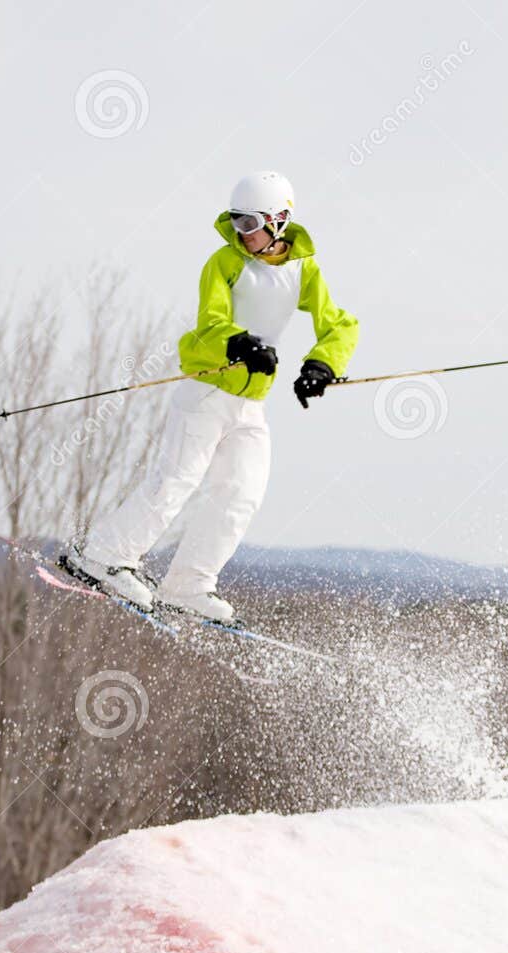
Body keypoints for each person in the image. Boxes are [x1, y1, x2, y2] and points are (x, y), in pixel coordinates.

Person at [63, 170, 358, 624]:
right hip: (206, 392)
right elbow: (210, 322)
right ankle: (103, 555)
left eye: (250, 224)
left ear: (279, 220)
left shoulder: (305, 270)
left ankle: (188, 584)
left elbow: (339, 325)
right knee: (178, 478)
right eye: (236, 223)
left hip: (250, 406)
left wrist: (322, 365)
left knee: (241, 494)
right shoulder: (224, 263)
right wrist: (240, 343)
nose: (242, 234)